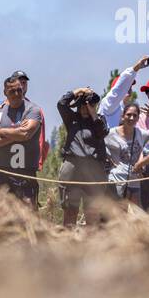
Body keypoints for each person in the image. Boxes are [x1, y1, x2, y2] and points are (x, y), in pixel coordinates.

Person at [56, 87, 114, 227]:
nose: (85, 108)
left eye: (88, 105)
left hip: (93, 169)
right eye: (82, 105)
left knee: (92, 212)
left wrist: (93, 111)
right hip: (73, 166)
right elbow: (61, 104)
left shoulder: (99, 120)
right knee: (70, 209)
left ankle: (92, 245)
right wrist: (78, 91)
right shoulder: (72, 119)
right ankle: (68, 242)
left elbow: (103, 132)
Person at [0, 75, 44, 208]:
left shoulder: (33, 110)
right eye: (12, 91)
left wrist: (1, 131)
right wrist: (16, 134)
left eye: (19, 90)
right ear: (5, 92)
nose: (17, 94)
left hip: (26, 171)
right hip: (1, 171)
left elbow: (25, 134)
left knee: (28, 210)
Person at [0, 71, 47, 169]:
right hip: (0, 163)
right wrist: (18, 132)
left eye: (24, 82)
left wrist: (40, 160)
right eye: (19, 82)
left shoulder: (33, 110)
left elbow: (39, 137)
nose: (22, 85)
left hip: (26, 164)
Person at [105, 103, 146, 202]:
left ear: (138, 118)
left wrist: (142, 163)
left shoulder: (141, 134)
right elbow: (98, 145)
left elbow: (146, 149)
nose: (131, 118)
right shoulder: (110, 133)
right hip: (117, 180)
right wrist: (107, 158)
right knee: (117, 213)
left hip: (135, 181)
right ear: (122, 116)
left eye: (135, 115)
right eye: (128, 114)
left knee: (134, 215)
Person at [98, 56, 149, 128]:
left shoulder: (123, 108)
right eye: (127, 87)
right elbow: (120, 87)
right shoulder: (108, 103)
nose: (129, 89)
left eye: (130, 87)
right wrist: (136, 68)